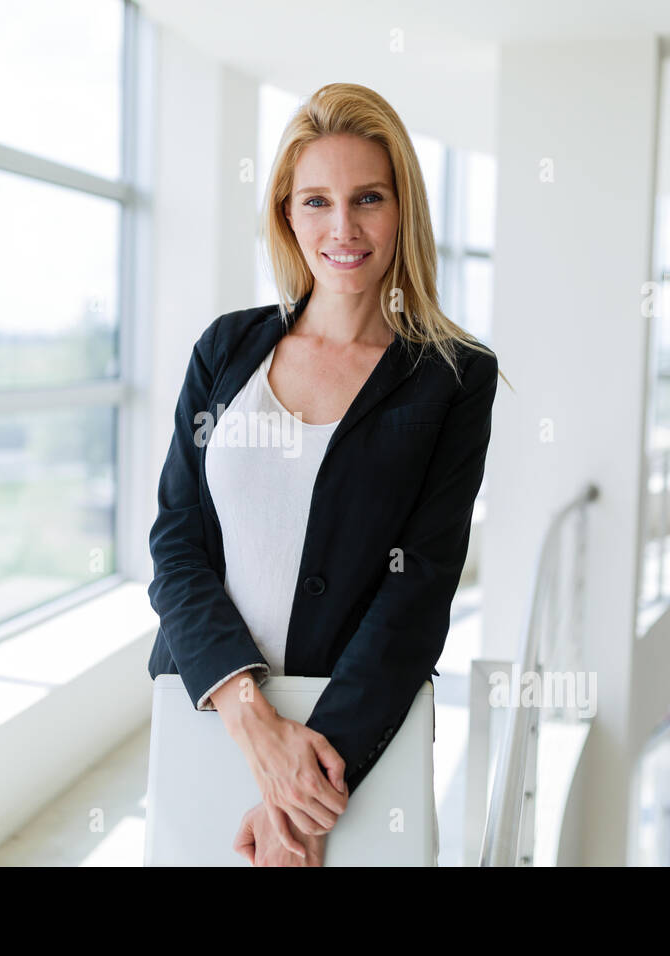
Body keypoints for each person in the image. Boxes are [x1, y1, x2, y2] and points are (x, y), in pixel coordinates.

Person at [146, 82, 505, 867]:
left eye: (367, 198)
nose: (342, 227)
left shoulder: (452, 377)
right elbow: (176, 548)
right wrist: (253, 722)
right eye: (316, 201)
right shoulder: (225, 350)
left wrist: (298, 805)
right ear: (286, 214)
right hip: (209, 717)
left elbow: (419, 590)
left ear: (402, 208)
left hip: (354, 751)